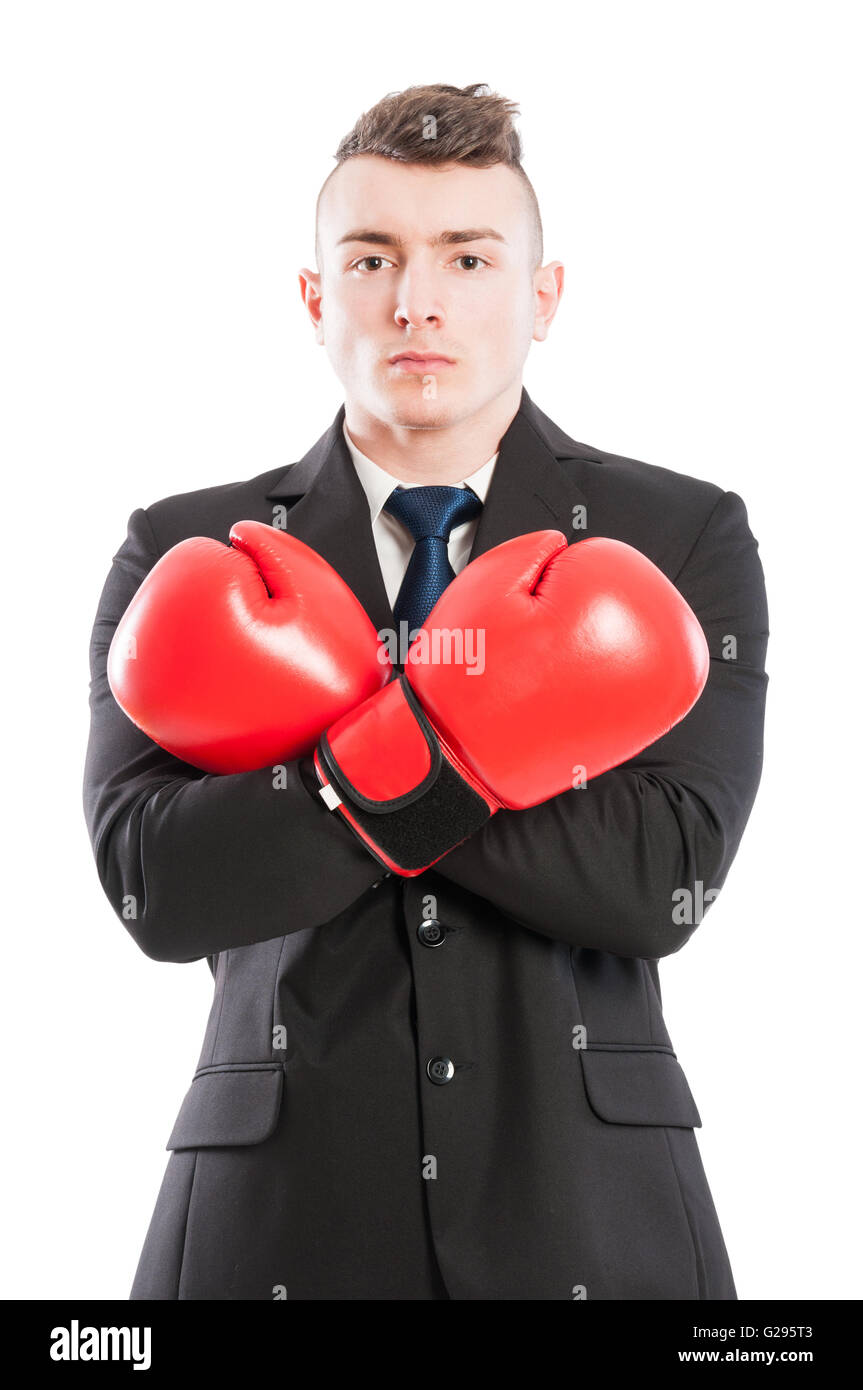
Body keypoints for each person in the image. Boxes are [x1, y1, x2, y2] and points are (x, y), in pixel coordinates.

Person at [83, 81, 769, 1300]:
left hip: (594, 1216)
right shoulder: (183, 549)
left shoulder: (676, 537)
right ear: (313, 298)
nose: (416, 301)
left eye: (466, 255)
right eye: (370, 258)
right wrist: (471, 742)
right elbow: (157, 884)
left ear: (540, 295)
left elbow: (658, 877)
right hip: (274, 1214)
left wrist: (342, 752)